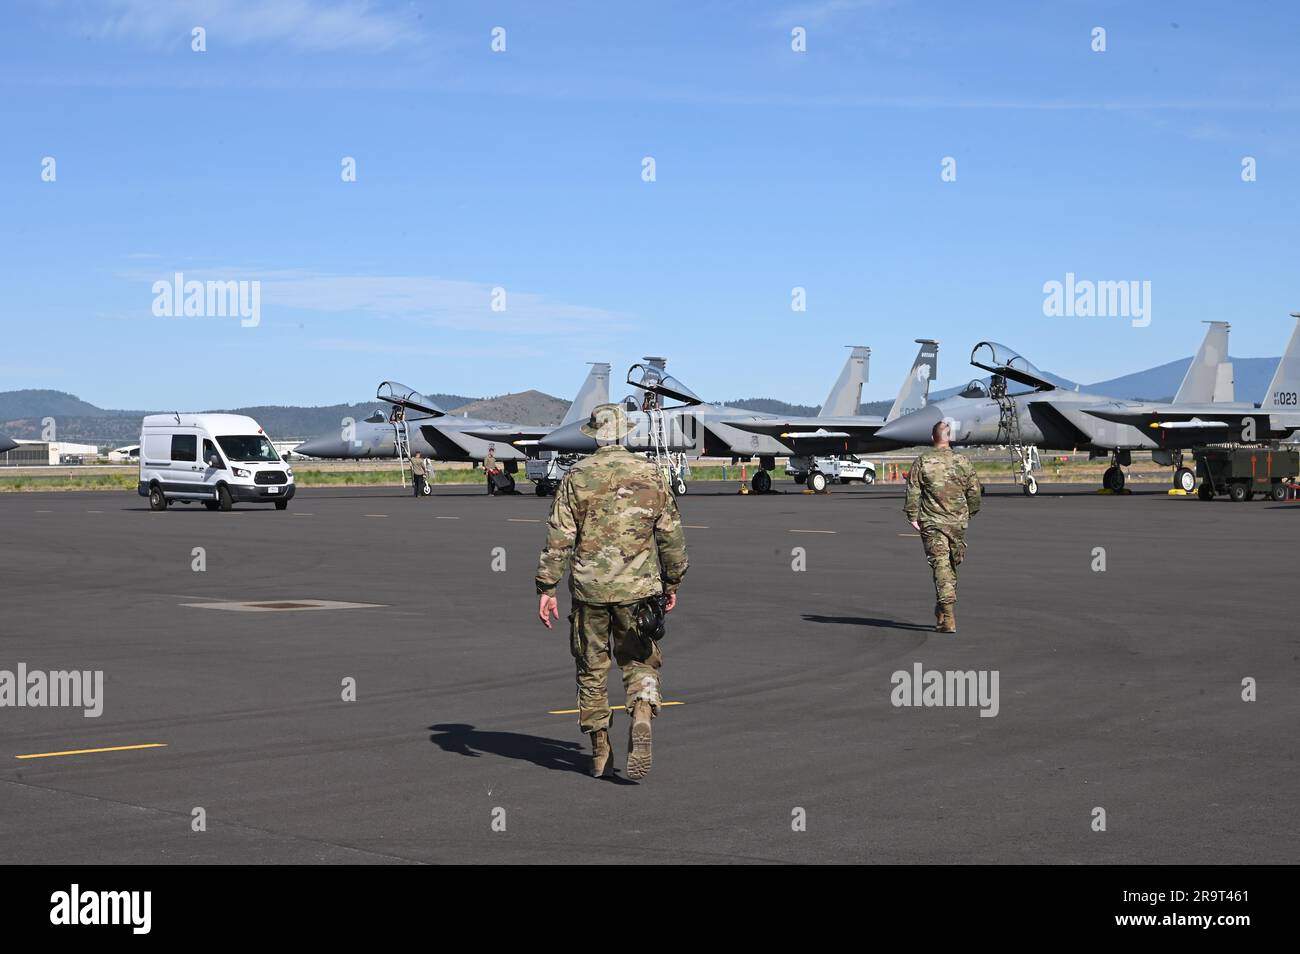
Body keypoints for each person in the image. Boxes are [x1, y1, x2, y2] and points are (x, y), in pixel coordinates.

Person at [535, 404, 688, 780]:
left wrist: (547, 587)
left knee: (591, 668)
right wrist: (673, 581)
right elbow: (671, 535)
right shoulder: (651, 474)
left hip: (590, 592)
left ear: (593, 435)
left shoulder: (577, 476)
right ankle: (640, 711)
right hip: (639, 590)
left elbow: (559, 538)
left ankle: (600, 747)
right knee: (640, 661)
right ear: (625, 433)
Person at [903, 419, 982, 633]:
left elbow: (913, 491)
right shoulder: (963, 461)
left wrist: (912, 516)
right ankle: (948, 616)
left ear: (932, 439)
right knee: (944, 564)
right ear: (950, 439)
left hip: (933, 521)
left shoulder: (923, 461)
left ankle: (942, 605)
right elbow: (975, 492)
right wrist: (969, 513)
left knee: (946, 565)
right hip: (955, 522)